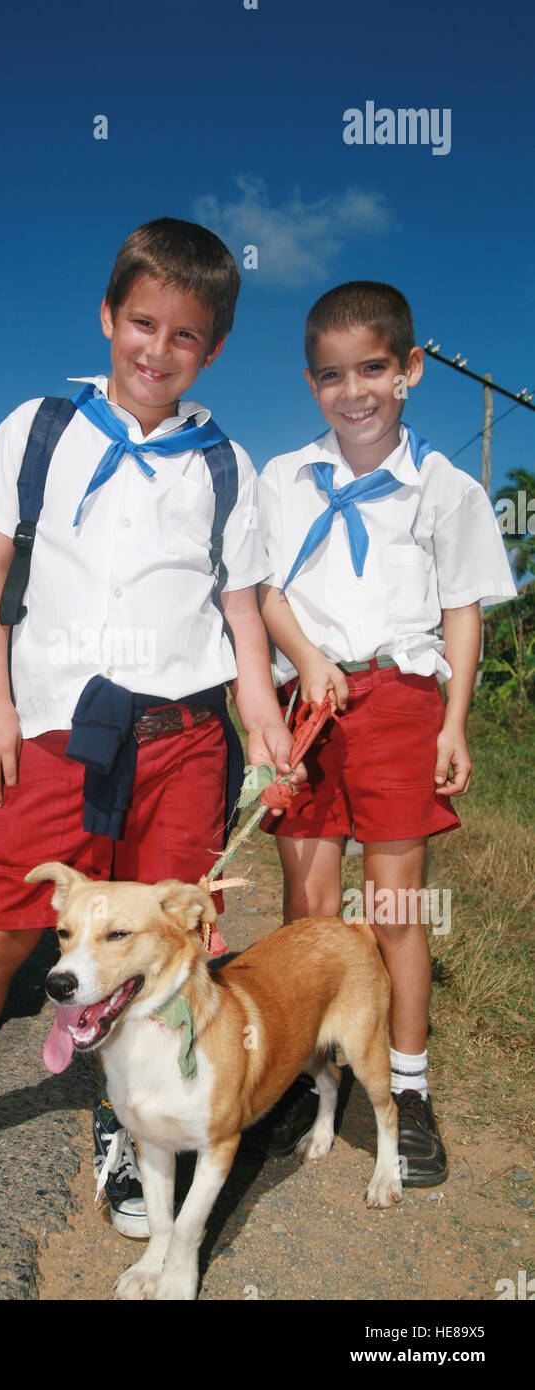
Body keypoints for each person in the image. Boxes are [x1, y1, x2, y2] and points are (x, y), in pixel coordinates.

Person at [0, 218, 300, 1223]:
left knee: (166, 950)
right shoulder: (40, 426)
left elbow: (240, 605)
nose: (156, 351)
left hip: (184, 740)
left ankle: (127, 1129)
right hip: (53, 736)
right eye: (141, 323)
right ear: (106, 317)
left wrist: (262, 717)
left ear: (210, 350)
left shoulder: (223, 464)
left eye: (182, 336)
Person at [253, 280, 516, 1184]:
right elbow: (264, 591)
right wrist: (307, 659)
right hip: (309, 705)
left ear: (408, 370)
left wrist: (455, 724)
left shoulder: (445, 488)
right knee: (310, 909)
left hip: (402, 703)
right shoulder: (282, 480)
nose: (353, 390)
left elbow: (461, 614)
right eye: (331, 375)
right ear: (310, 381)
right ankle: (304, 1073)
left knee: (396, 907)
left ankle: (407, 1090)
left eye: (373, 369)